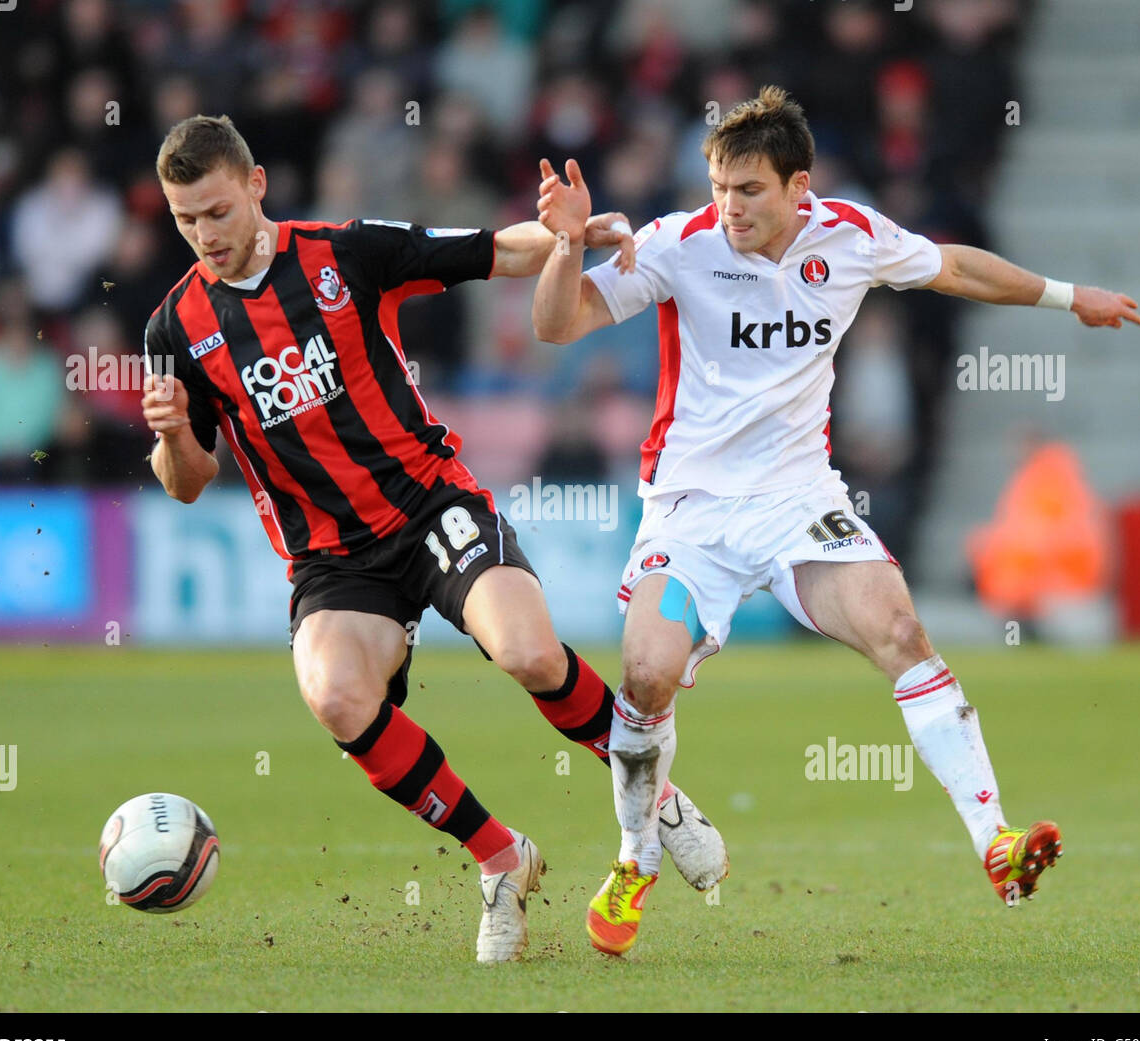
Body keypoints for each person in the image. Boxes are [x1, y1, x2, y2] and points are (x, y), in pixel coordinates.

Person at [531, 86, 1140, 956]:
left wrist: (1067, 295)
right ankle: (635, 859)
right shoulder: (677, 245)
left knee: (900, 629)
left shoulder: (850, 236)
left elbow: (955, 267)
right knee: (644, 678)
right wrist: (564, 244)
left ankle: (994, 842)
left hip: (801, 505)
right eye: (718, 187)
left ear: (798, 186)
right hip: (690, 514)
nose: (729, 207)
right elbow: (558, 326)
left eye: (748, 189)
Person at [139, 115, 728, 964]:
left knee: (528, 653)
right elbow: (187, 484)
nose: (205, 235)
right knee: (338, 698)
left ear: (257, 185)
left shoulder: (346, 252)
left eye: (218, 212)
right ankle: (501, 858)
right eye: (185, 219)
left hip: (428, 504)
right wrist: (172, 436)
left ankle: (656, 793)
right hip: (333, 560)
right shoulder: (174, 329)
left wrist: (567, 236)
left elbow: (495, 251)